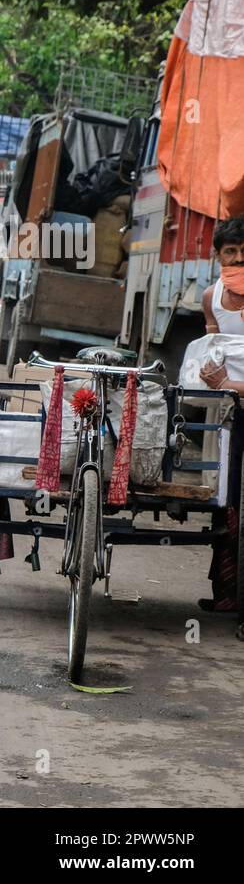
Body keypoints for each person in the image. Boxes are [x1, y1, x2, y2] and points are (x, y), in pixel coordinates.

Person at [195, 215, 244, 616]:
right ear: (218, 257)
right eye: (231, 252)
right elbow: (213, 351)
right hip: (229, 416)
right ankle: (227, 593)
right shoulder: (211, 297)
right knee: (225, 500)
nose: (239, 260)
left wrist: (229, 383)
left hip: (236, 397)